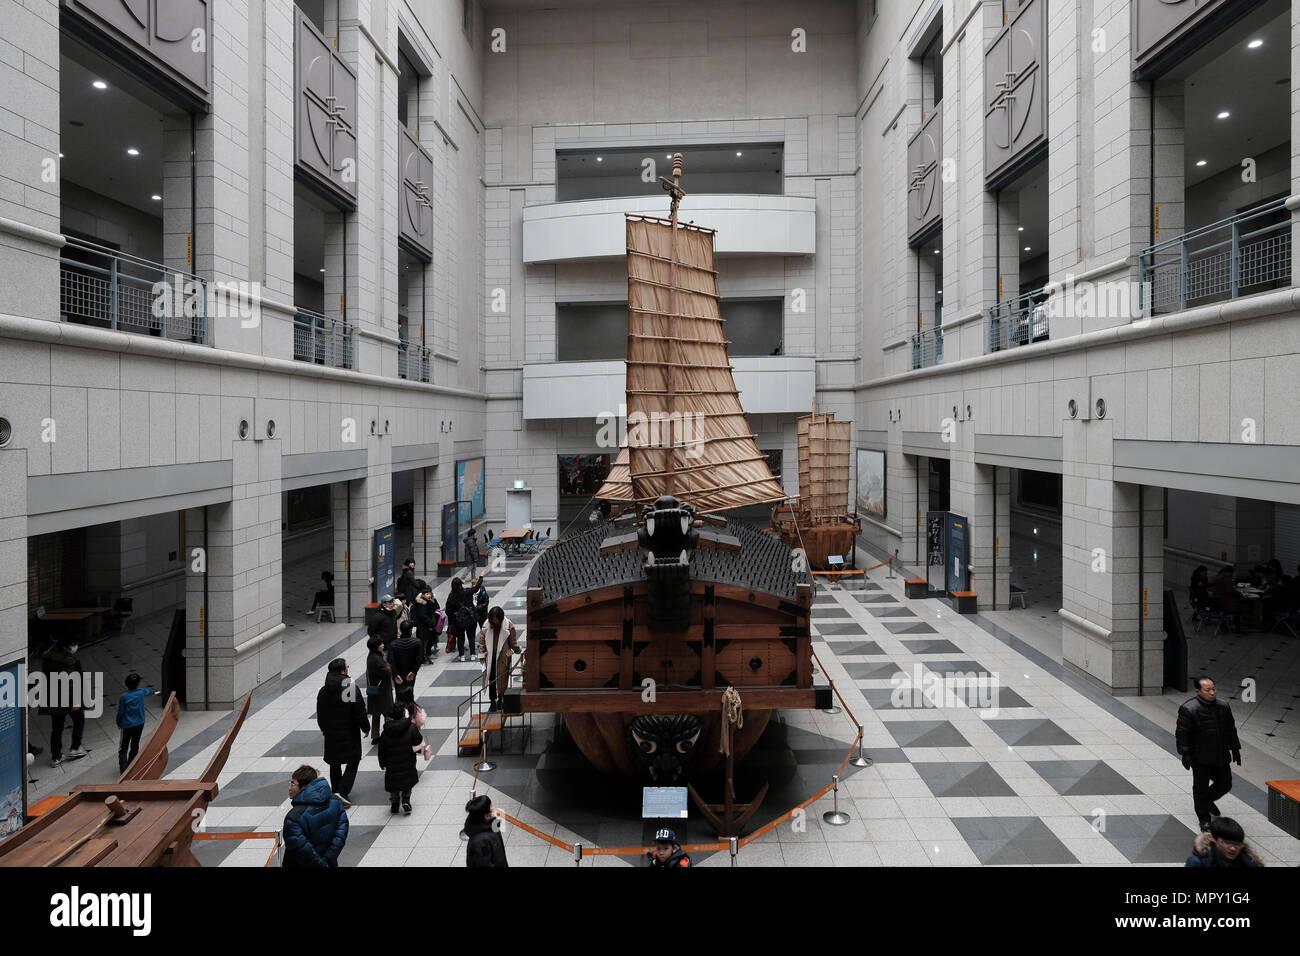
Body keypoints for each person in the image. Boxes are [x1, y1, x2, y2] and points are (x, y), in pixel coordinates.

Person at [1176, 676, 1242, 832]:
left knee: (1225, 784)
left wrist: (1235, 749)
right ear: (1198, 691)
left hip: (1220, 754)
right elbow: (1182, 733)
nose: (1212, 692)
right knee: (1200, 788)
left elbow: (1231, 730)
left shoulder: (1223, 706)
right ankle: (1203, 818)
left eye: (1214, 689)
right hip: (1200, 757)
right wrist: (1184, 753)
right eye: (1208, 690)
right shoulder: (1189, 709)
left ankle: (1207, 801)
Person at [315, 658, 369, 806]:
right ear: (342, 671)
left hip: (331, 735)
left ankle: (336, 790)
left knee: (335, 762)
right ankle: (342, 791)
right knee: (353, 760)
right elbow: (359, 711)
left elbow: (320, 715)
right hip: (349, 733)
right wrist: (365, 727)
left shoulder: (323, 691)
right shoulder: (349, 687)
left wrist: (325, 730)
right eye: (347, 667)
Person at [282, 765, 349, 868]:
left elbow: (301, 850)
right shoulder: (335, 802)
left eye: (293, 783)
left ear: (304, 786)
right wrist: (329, 858)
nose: (289, 787)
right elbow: (341, 833)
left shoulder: (293, 818)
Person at [41, 636, 88, 767]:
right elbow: (71, 682)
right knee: (79, 719)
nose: (75, 647)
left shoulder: (47, 660)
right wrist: (75, 701)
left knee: (56, 728)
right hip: (68, 699)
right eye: (73, 644)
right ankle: (75, 748)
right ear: (65, 647)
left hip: (54, 699)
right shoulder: (71, 661)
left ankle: (56, 757)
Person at [376, 702, 422, 814]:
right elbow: (418, 742)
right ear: (403, 713)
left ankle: (395, 803)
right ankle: (406, 800)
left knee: (393, 782)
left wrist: (382, 763)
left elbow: (381, 750)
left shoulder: (385, 732)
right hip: (408, 761)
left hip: (391, 764)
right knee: (407, 780)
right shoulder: (411, 727)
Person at [477, 606, 522, 712]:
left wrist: (517, 650)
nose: (494, 622)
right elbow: (482, 641)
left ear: (500, 618)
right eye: (492, 619)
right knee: (491, 679)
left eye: (496, 619)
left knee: (502, 679)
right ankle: (492, 701)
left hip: (503, 657)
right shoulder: (486, 625)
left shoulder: (509, 626)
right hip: (490, 657)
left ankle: (501, 699)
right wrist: (482, 654)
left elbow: (513, 642)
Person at [115, 673, 159, 774]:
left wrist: (118, 722)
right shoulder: (141, 692)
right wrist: (156, 692)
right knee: (135, 745)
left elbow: (121, 712)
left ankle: (124, 771)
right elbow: (150, 692)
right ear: (137, 684)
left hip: (127, 726)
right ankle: (132, 766)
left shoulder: (124, 697)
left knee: (123, 748)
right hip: (139, 724)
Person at [1184, 816, 1263, 867]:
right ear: (1213, 839)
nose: (1233, 848)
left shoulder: (1249, 862)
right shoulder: (1197, 863)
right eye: (1227, 843)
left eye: (1237, 844)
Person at [464, 794, 508, 867]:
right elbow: (484, 863)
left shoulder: (489, 822)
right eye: (491, 806)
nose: (494, 807)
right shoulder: (480, 842)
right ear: (487, 815)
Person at [365, 632, 394, 741]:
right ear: (375, 647)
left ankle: (375, 735)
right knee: (387, 711)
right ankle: (390, 732)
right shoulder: (376, 659)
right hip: (382, 691)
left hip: (376, 689)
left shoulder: (372, 656)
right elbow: (387, 672)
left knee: (376, 714)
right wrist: (388, 666)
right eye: (380, 644)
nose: (382, 645)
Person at [389, 620, 424, 705]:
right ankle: (411, 710)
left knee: (398, 693)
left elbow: (391, 660)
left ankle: (399, 711)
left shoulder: (393, 644)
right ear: (411, 630)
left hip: (398, 673)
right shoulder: (417, 642)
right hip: (410, 673)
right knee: (410, 691)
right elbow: (419, 659)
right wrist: (413, 672)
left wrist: (395, 674)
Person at [446, 576, 476, 661]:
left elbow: (448, 610)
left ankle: (462, 656)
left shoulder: (451, 596)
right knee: (471, 637)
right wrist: (481, 577)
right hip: (469, 619)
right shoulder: (467, 592)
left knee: (460, 638)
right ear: (461, 584)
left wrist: (451, 621)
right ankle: (473, 654)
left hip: (458, 621)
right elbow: (476, 588)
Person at [411, 585, 442, 663]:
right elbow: (423, 616)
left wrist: (433, 600)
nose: (429, 595)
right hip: (423, 626)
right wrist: (431, 624)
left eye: (430, 593)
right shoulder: (421, 603)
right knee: (422, 642)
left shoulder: (429, 601)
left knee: (432, 639)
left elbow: (437, 607)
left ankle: (427, 655)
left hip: (429, 625)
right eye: (427, 594)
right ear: (423, 595)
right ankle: (422, 658)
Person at [1210, 566, 1244, 632]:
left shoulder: (1217, 578)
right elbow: (1230, 591)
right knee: (1238, 609)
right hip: (1224, 602)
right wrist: (1239, 593)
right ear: (1229, 573)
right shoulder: (1227, 579)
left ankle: (1224, 626)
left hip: (1217, 602)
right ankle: (1238, 629)